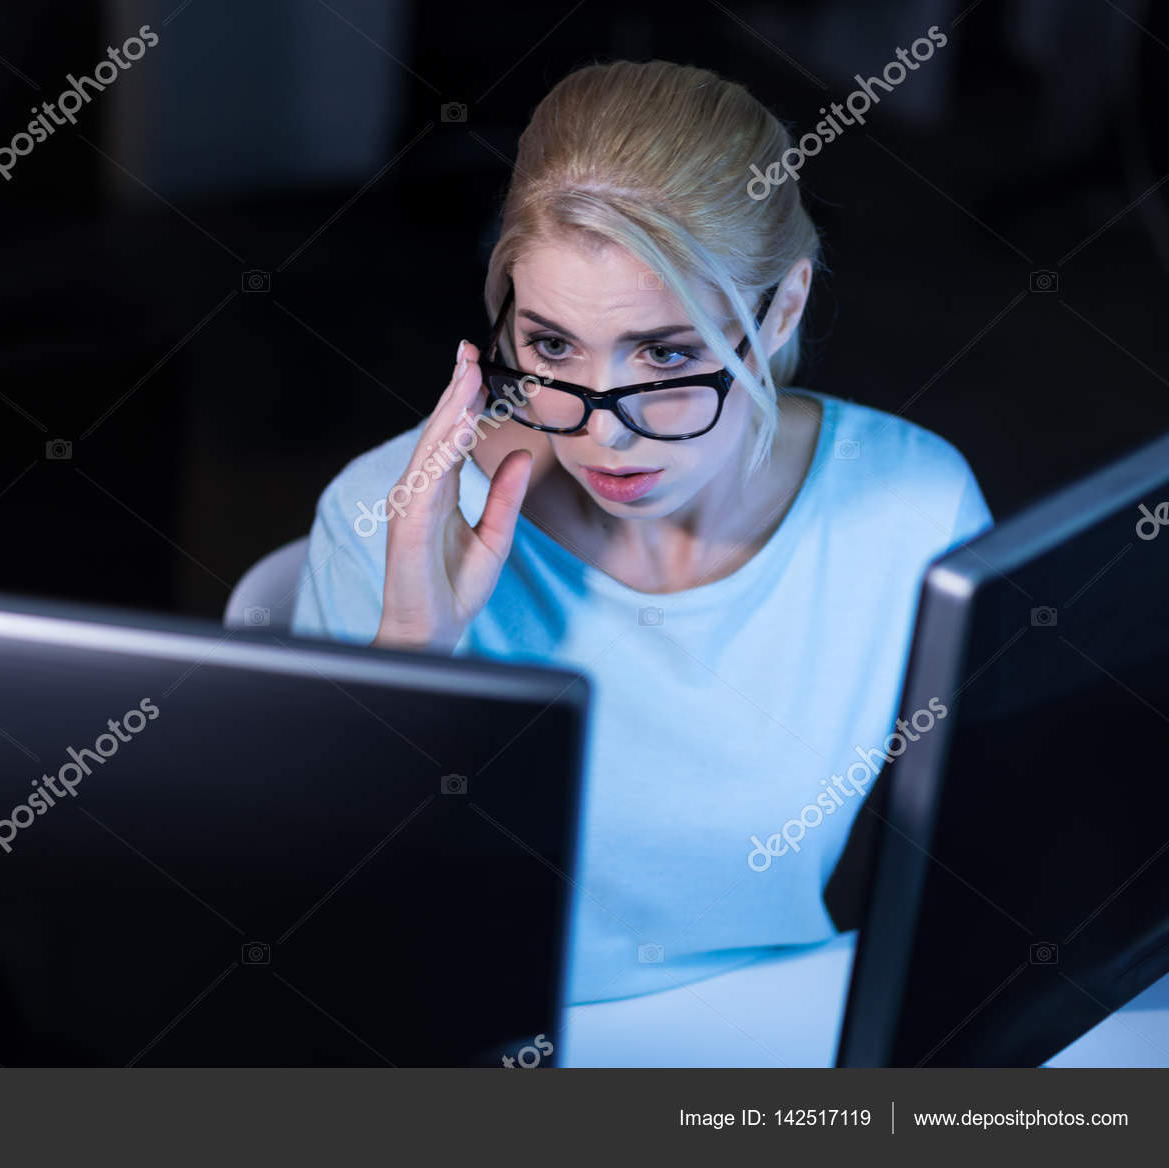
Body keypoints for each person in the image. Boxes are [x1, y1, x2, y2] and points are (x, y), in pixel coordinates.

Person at [292, 60, 991, 1003]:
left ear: (783, 309)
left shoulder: (913, 508)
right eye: (549, 346)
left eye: (665, 355)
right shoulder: (388, 520)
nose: (601, 430)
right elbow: (316, 926)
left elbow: (1002, 863)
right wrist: (414, 659)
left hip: (769, 1030)